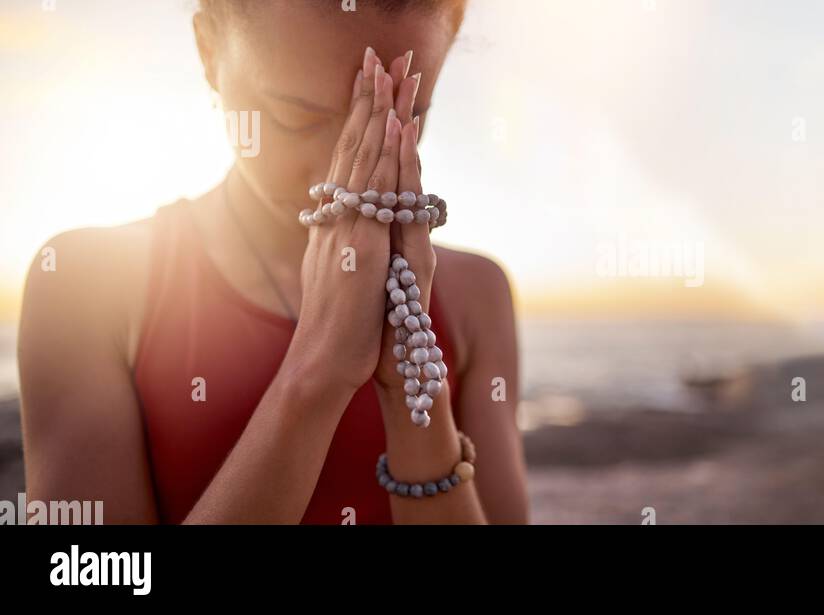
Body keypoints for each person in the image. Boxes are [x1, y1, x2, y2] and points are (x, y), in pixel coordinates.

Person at [17, 0, 527, 524]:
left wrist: (412, 395)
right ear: (209, 51)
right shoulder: (87, 287)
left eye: (401, 115)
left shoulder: (474, 295)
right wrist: (317, 372)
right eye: (296, 118)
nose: (342, 174)